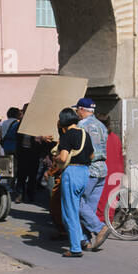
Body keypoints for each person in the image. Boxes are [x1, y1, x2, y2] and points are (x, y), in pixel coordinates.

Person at [48, 107, 94, 257]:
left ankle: (75, 248)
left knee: (69, 213)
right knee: (75, 207)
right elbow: (92, 155)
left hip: (72, 173)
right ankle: (82, 240)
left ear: (63, 121)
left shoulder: (67, 136)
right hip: (84, 173)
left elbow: (62, 157)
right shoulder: (84, 134)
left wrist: (56, 159)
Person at [75, 97, 110, 251]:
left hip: (89, 169)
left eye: (77, 109)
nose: (76, 112)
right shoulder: (102, 126)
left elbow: (80, 148)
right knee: (89, 208)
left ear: (82, 109)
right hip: (102, 169)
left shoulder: (82, 125)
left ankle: (99, 228)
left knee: (76, 202)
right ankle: (86, 240)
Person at [96, 114, 126, 225]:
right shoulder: (115, 137)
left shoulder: (99, 138)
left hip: (106, 170)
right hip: (117, 170)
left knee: (102, 197)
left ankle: (100, 222)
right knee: (112, 197)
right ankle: (108, 220)